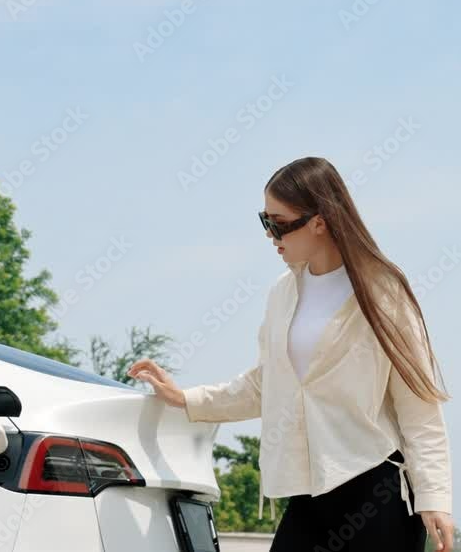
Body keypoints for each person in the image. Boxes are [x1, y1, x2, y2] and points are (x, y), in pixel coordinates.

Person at [128, 156, 454, 551]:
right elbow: (266, 383)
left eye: (278, 223)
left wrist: (435, 497)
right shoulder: (283, 294)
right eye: (264, 221)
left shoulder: (382, 292)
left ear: (320, 221)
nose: (270, 235)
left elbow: (418, 405)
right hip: (305, 493)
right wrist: (186, 398)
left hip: (375, 490)